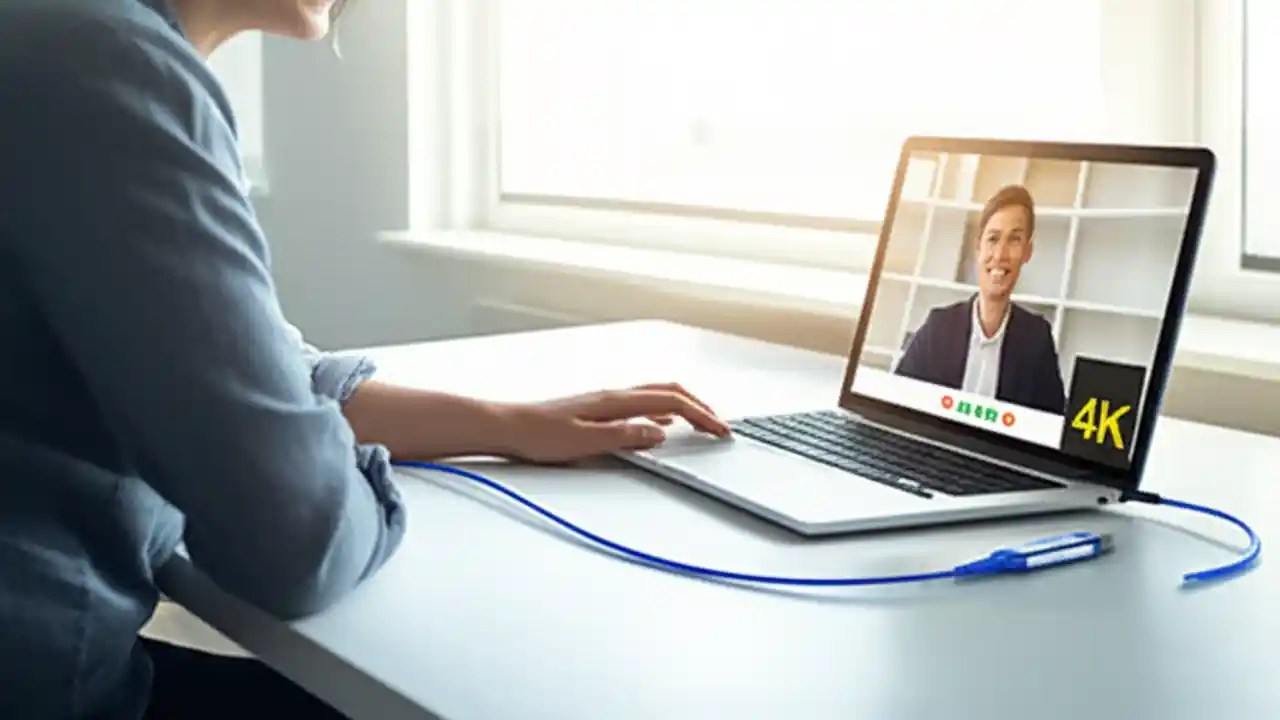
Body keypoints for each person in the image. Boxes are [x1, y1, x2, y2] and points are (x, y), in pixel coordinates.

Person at [0, 1, 731, 718]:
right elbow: (297, 540)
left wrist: (504, 424)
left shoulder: (57, 34)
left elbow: (255, 370)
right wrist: (342, 472)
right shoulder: (109, 68)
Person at [893, 184, 1066, 414]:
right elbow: (895, 403)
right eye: (993, 239)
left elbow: (1052, 426)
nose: (1000, 255)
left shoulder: (1037, 339)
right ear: (978, 248)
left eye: (1014, 240)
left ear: (1027, 251)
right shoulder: (938, 326)